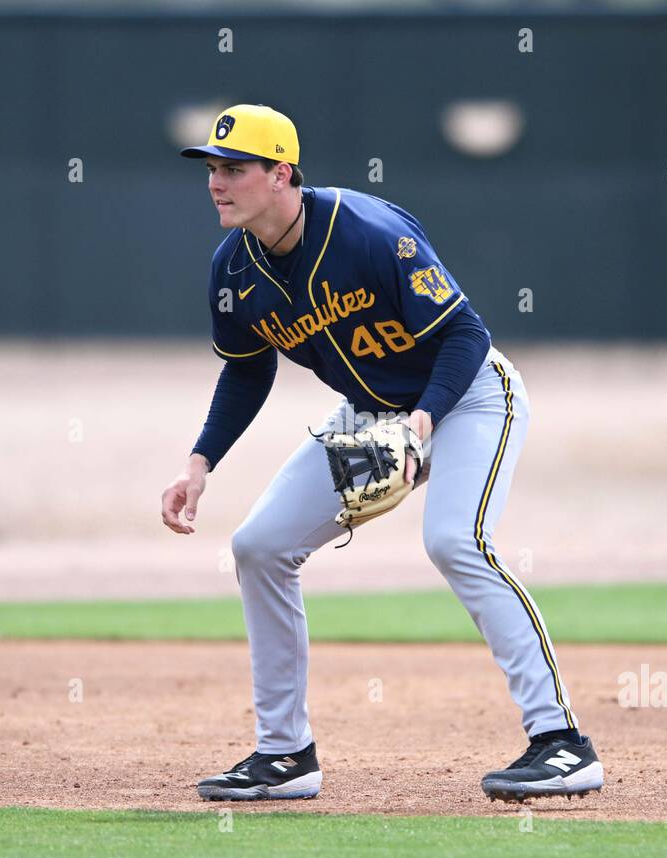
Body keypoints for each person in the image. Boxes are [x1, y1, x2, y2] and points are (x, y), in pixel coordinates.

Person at [162, 104, 603, 803]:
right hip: (371, 414)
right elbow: (248, 369)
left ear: (281, 174)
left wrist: (425, 421)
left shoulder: (368, 232)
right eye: (213, 169)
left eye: (235, 168)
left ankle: (562, 743)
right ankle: (285, 756)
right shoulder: (232, 269)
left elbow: (465, 334)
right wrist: (199, 462)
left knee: (455, 540)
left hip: (467, 398)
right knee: (260, 545)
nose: (218, 182)